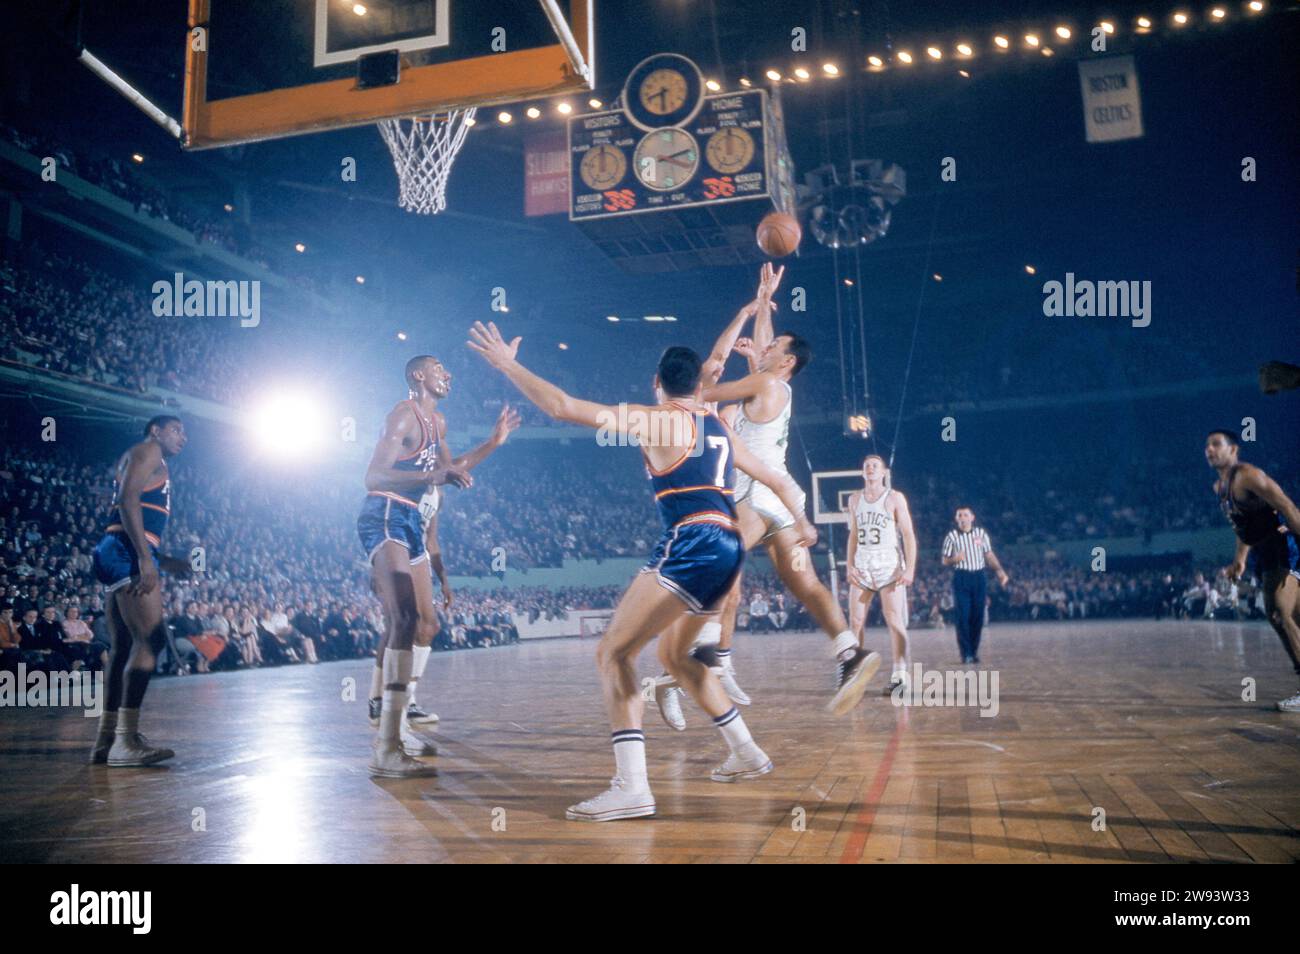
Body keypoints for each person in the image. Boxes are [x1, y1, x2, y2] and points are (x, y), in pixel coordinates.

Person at [469, 320, 856, 822]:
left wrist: (507, 364)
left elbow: (562, 406)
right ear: (699, 388)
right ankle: (745, 751)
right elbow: (773, 475)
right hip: (731, 545)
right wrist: (802, 519)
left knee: (614, 653)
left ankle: (632, 787)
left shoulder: (653, 420)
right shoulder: (718, 426)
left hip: (694, 540)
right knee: (678, 656)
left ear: (657, 383)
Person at [658, 264, 879, 726]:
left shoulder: (762, 381)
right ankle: (848, 652)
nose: (763, 348)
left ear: (786, 361)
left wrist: (702, 381)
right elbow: (762, 349)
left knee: (719, 577)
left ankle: (696, 668)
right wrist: (761, 302)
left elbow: (706, 390)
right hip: (778, 496)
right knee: (804, 583)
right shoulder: (773, 386)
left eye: (773, 348)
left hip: (753, 495)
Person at [362, 352, 519, 762]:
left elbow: (453, 467)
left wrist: (494, 442)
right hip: (386, 513)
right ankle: (387, 727)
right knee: (402, 620)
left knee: (424, 622)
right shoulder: (403, 414)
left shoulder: (439, 423)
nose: (447, 374)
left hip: (411, 520)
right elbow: (373, 477)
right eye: (438, 369)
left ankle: (397, 720)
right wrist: (429, 476)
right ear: (418, 375)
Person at [88, 415, 192, 767]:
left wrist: (166, 560)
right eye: (176, 429)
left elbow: (132, 509)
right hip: (127, 550)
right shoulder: (149, 452)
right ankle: (127, 741)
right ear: (155, 430)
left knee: (122, 649)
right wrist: (146, 559)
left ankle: (106, 739)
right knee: (151, 640)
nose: (184, 437)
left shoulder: (146, 457)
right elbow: (127, 499)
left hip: (118, 547)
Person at [1207, 429, 1300, 711]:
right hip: (1263, 553)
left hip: (1284, 545)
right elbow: (1243, 527)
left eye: (1216, 444)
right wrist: (1241, 560)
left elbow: (1285, 504)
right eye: (1207, 445)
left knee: (1279, 612)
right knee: (1290, 615)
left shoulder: (1248, 476)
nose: (1209, 449)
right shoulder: (1219, 488)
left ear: (1234, 449)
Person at [846, 455, 918, 693]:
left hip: (888, 565)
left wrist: (910, 568)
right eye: (866, 465)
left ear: (884, 472)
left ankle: (900, 675)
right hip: (863, 565)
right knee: (855, 622)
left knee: (894, 619)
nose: (870, 468)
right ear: (862, 472)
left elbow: (907, 534)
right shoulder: (855, 499)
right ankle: (855, 672)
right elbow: (853, 536)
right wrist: (849, 565)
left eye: (875, 465)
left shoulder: (895, 498)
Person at [940, 506, 1009, 664]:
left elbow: (989, 554)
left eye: (965, 515)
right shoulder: (951, 536)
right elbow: (944, 560)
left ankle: (974, 651)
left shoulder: (981, 534)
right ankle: (966, 654)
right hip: (961, 577)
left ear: (972, 517)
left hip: (979, 577)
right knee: (963, 616)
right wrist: (954, 559)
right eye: (959, 515)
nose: (962, 518)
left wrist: (1000, 571)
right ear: (956, 519)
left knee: (977, 617)